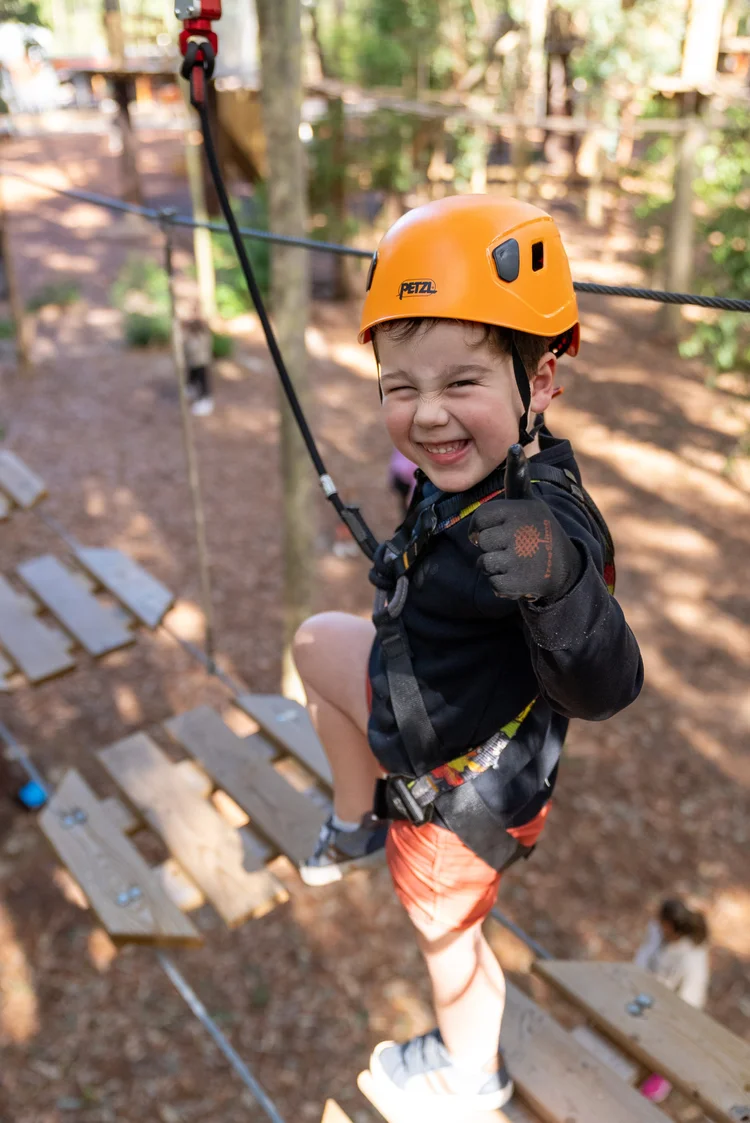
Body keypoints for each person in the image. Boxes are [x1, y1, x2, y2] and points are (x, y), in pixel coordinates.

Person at [292, 195, 643, 1113]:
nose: (428, 414)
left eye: (461, 382)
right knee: (315, 642)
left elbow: (608, 680)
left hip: (464, 796)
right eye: (400, 387)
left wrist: (560, 582)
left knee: (449, 944)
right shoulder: (469, 473)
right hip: (426, 693)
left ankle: (468, 1070)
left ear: (541, 382)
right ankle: (355, 817)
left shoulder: (540, 526)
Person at [635, 898, 710, 1103]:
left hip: (671, 1010)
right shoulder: (657, 930)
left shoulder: (692, 958)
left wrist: (664, 1008)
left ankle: (660, 1075)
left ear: (673, 927)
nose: (659, 927)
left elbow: (690, 1001)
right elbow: (644, 956)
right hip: (646, 993)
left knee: (662, 1044)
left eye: (663, 925)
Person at [183, 315, 214, 416]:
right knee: (194, 377)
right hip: (195, 362)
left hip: (200, 362)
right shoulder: (194, 336)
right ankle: (194, 391)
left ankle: (205, 400)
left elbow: (193, 349)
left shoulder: (201, 337)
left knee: (202, 381)